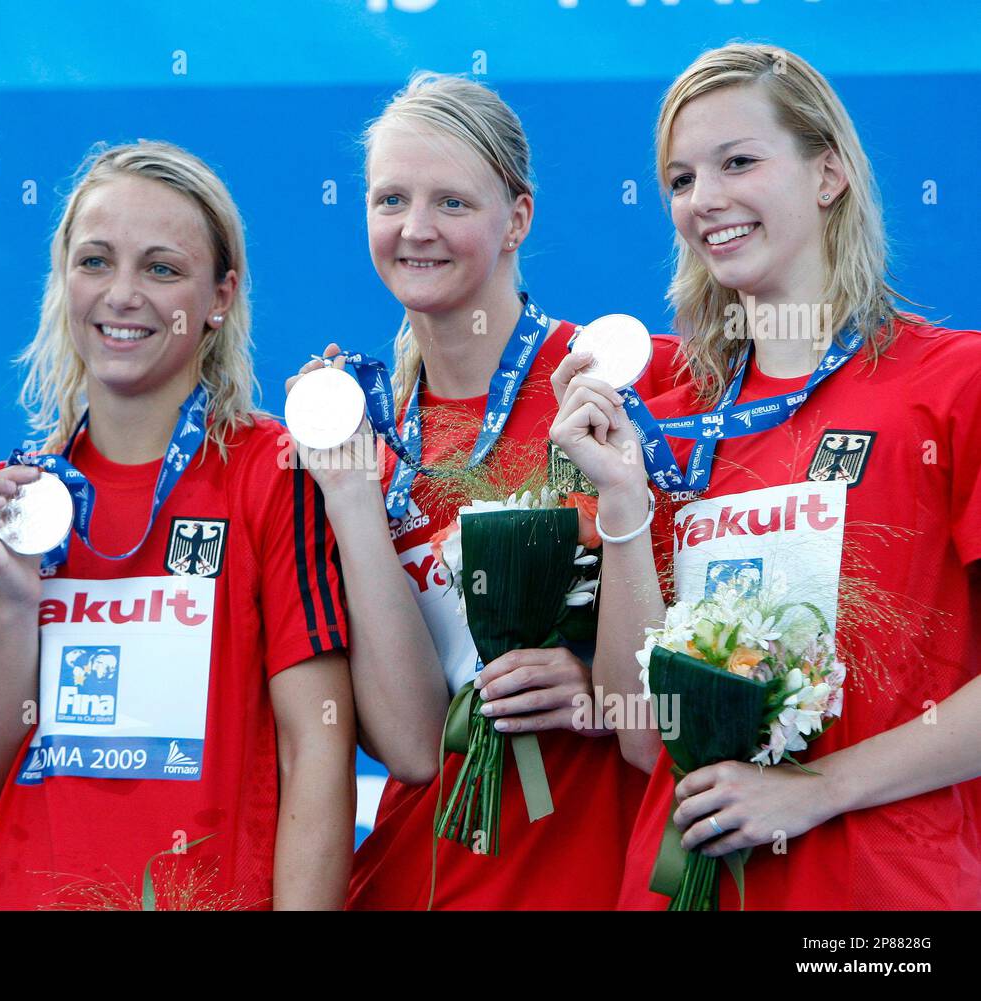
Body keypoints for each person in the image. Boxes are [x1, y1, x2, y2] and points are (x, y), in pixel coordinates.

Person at [550, 43, 981, 908]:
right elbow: (642, 736)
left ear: (828, 174)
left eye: (738, 162)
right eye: (679, 178)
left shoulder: (953, 385)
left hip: (876, 900)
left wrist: (822, 787)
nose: (704, 200)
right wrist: (625, 501)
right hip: (683, 886)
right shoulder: (664, 419)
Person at [289, 73, 683, 909]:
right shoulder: (368, 438)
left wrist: (601, 692)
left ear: (519, 219)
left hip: (590, 869)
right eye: (390, 198)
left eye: (453, 203)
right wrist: (353, 503)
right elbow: (415, 747)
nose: (416, 229)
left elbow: (686, 697)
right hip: (421, 872)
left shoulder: (618, 386)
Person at [0, 140, 356, 911]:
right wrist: (17, 603)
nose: (122, 294)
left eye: (162, 269)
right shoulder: (25, 494)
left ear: (220, 296)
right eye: (95, 261)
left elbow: (316, 747)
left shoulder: (274, 472)